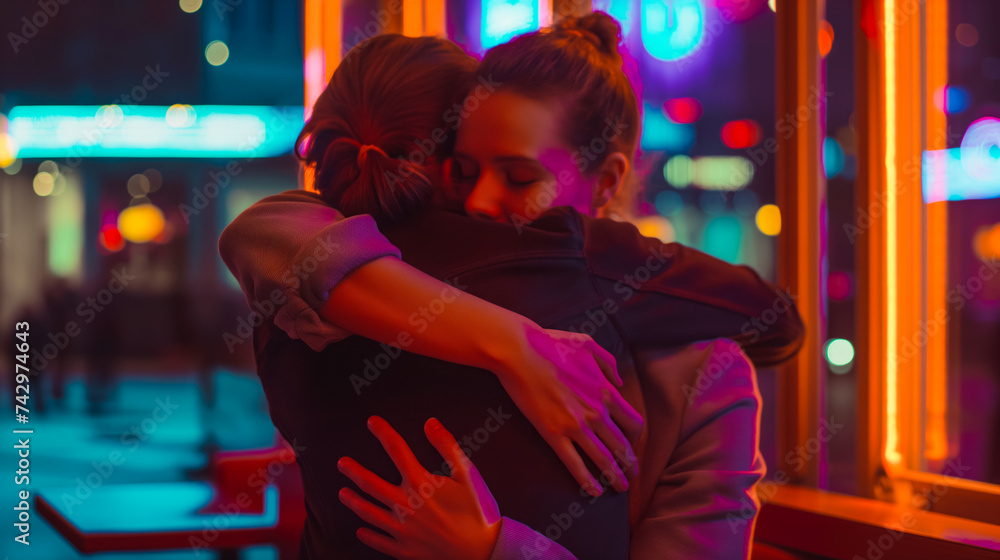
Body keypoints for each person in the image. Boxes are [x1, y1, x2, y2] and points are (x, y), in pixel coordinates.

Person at [220, 13, 803, 559]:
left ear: (609, 179)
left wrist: (492, 548)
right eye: (464, 172)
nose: (477, 203)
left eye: (520, 178)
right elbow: (268, 233)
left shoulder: (704, 373)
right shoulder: (395, 298)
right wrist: (516, 343)